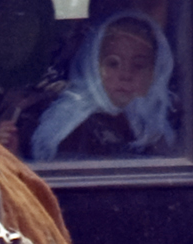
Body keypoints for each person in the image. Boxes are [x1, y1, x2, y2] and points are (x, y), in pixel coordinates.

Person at [28, 10, 176, 161]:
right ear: (92, 67)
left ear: (156, 73)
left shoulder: (160, 123)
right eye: (113, 64)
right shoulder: (74, 127)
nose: (126, 75)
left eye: (138, 65)